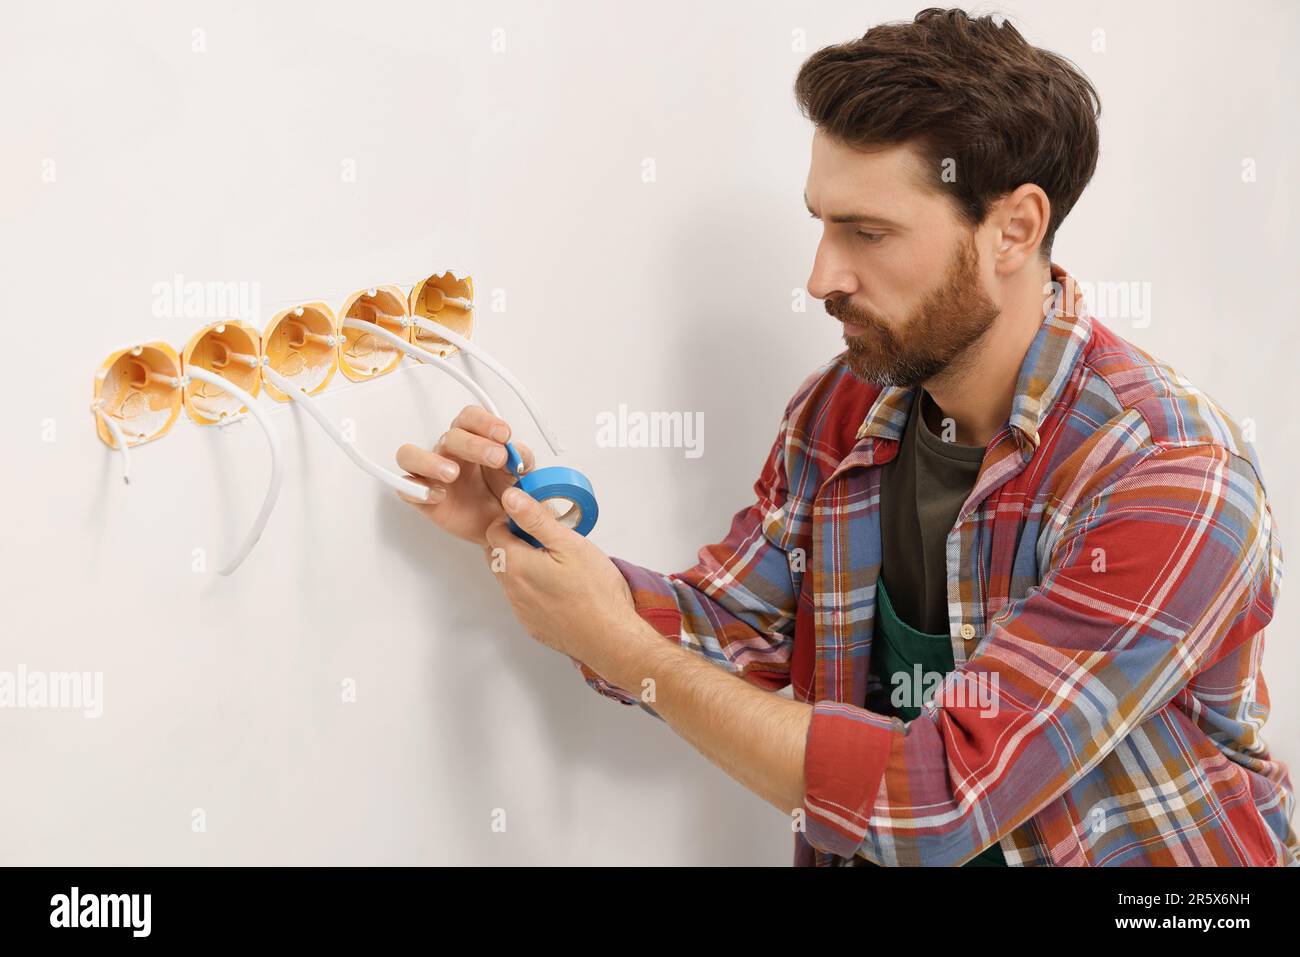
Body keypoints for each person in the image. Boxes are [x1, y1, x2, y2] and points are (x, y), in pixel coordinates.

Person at [394, 8, 1294, 866]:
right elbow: (731, 630)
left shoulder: (1170, 475)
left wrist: (628, 652)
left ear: (1014, 229)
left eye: (869, 232)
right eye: (822, 222)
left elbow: (937, 799)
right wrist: (514, 530)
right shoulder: (842, 410)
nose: (822, 274)